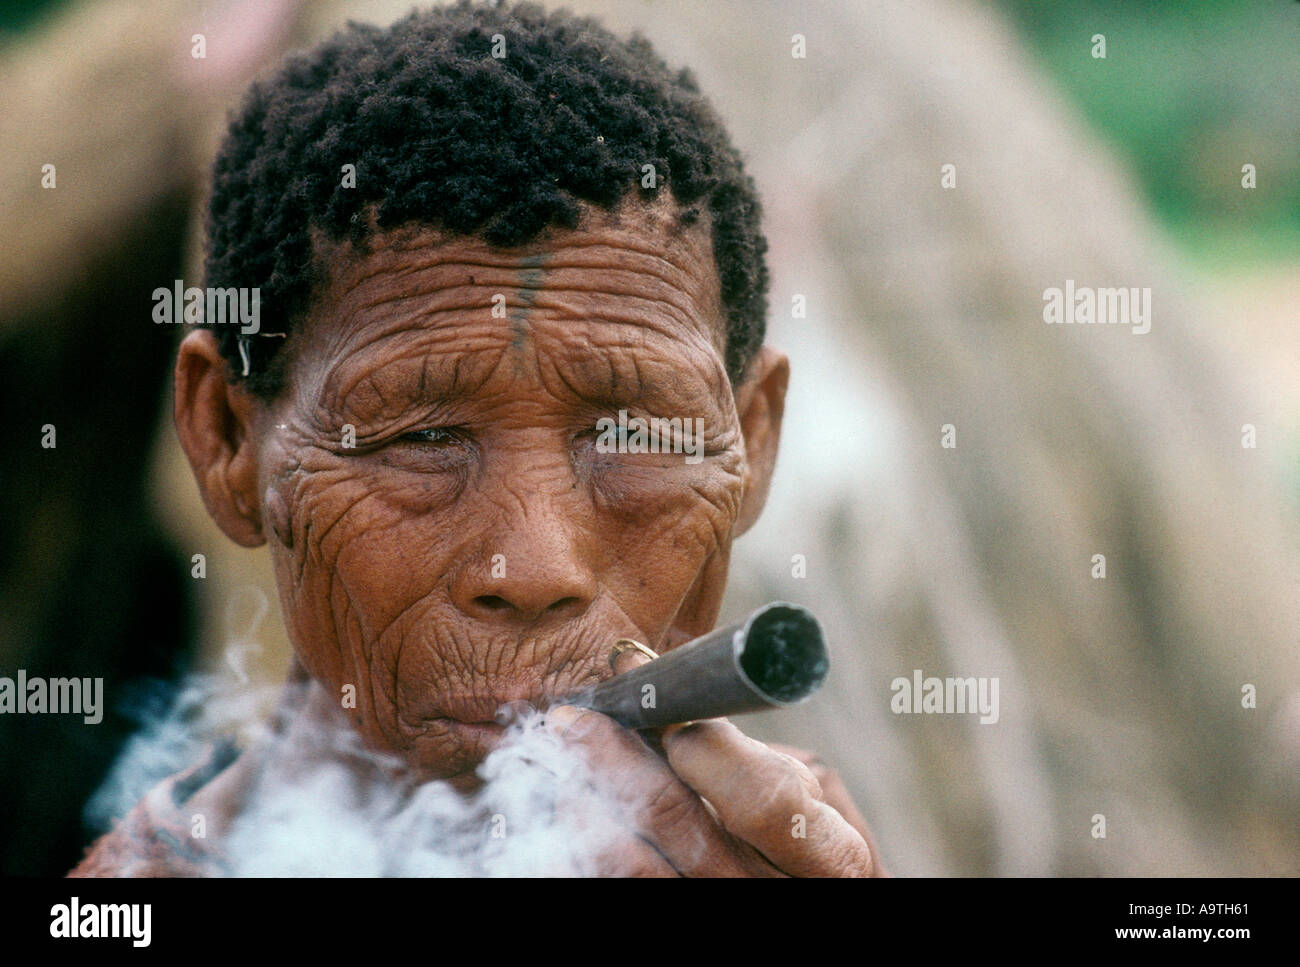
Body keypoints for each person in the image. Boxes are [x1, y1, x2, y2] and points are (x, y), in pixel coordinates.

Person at [72, 0, 884, 877]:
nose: (535, 572)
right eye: (422, 436)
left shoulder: (786, 852)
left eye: (633, 433)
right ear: (230, 441)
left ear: (753, 441)